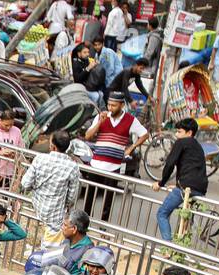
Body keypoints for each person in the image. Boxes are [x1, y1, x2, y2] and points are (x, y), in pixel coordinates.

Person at [83, 91, 146, 221]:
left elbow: (144, 135)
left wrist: (131, 148)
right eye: (109, 105)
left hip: (113, 168)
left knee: (108, 202)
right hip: (95, 165)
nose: (110, 108)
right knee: (89, 199)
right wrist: (100, 122)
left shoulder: (130, 120)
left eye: (114, 105)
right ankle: (84, 226)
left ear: (122, 105)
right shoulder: (102, 116)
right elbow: (88, 136)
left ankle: (103, 229)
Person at [155, 119, 209, 242]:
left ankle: (168, 246)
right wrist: (178, 184)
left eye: (179, 132)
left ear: (189, 133)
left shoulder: (182, 142)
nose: (177, 135)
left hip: (186, 188)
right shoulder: (198, 146)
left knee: (162, 214)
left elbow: (169, 164)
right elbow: (193, 168)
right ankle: (180, 249)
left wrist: (161, 183)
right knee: (186, 222)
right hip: (200, 189)